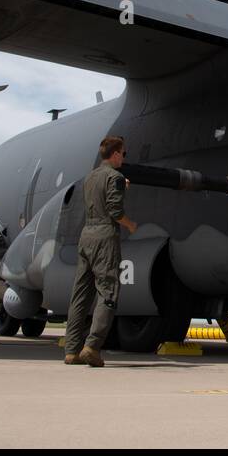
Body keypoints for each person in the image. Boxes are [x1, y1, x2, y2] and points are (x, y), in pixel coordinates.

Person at [64, 135, 137, 367]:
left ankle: (72, 350)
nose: (124, 158)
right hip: (105, 236)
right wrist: (130, 224)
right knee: (108, 291)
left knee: (81, 294)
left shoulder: (90, 177)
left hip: (86, 236)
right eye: (123, 154)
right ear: (115, 154)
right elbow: (115, 211)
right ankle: (92, 346)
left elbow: (100, 196)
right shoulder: (115, 177)